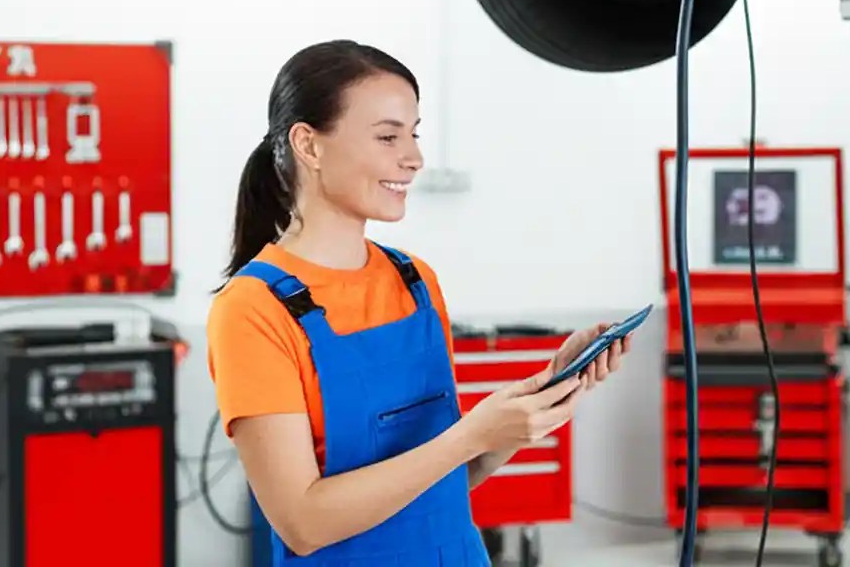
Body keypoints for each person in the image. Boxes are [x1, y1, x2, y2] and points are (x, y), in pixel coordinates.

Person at [205, 40, 632, 565]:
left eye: (413, 134)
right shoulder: (253, 309)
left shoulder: (413, 280)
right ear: (309, 145)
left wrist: (534, 406)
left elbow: (445, 479)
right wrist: (469, 435)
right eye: (388, 137)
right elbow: (303, 522)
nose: (414, 158)